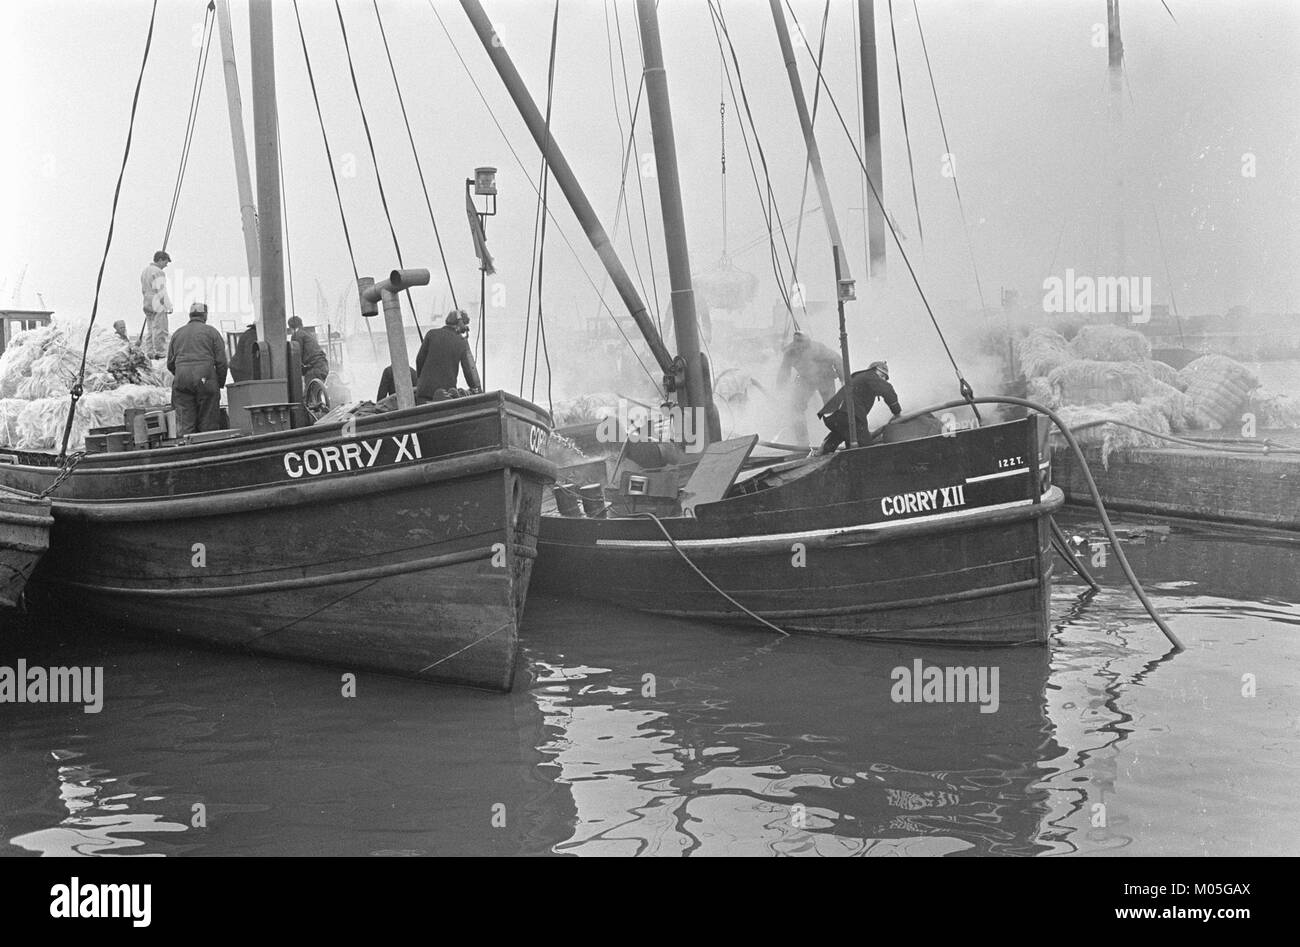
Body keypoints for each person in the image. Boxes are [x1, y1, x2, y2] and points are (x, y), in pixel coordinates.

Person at [167, 303, 228, 435]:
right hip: (205, 379)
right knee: (208, 421)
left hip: (182, 380)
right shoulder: (212, 332)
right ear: (205, 315)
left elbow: (170, 364)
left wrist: (181, 374)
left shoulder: (177, 333)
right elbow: (222, 362)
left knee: (185, 423)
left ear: (190, 315)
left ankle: (187, 451)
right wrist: (219, 383)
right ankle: (208, 450)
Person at [818, 360, 901, 454]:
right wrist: (897, 412)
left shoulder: (859, 379)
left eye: (885, 378)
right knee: (866, 448)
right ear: (874, 370)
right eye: (881, 375)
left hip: (835, 416)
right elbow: (887, 390)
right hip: (848, 416)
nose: (883, 379)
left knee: (843, 434)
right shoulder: (870, 376)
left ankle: (822, 452)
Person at [776, 331, 843, 445]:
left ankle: (840, 436)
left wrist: (843, 379)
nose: (799, 347)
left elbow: (837, 358)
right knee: (796, 408)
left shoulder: (818, 348)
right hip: (806, 380)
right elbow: (784, 370)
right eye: (797, 343)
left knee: (831, 408)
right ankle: (803, 442)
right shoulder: (790, 352)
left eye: (802, 344)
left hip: (825, 378)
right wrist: (780, 387)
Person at [414, 310, 482, 402]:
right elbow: (468, 370)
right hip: (447, 394)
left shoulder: (431, 334)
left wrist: (421, 381)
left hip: (424, 392)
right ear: (460, 325)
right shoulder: (461, 342)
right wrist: (475, 388)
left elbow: (419, 360)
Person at [139, 250, 173, 359]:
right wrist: (168, 305)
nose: (166, 265)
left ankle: (150, 351)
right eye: (165, 262)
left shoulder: (145, 271)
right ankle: (160, 352)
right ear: (160, 260)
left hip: (147, 301)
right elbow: (161, 290)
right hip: (157, 302)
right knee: (160, 328)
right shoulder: (158, 272)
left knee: (150, 329)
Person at [287, 315, 329, 385]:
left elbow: (296, 356)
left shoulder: (297, 335)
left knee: (309, 394)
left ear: (291, 327)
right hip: (323, 365)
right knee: (316, 392)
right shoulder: (307, 334)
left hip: (315, 368)